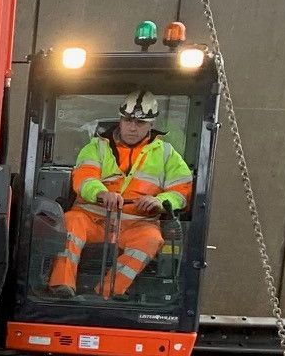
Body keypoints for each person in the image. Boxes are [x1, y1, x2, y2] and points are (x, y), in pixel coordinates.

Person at [46, 90, 193, 299]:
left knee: (151, 239)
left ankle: (108, 293)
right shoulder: (96, 147)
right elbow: (84, 178)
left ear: (151, 124)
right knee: (70, 221)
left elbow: (182, 191)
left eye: (140, 123)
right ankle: (61, 285)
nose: (132, 127)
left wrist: (159, 201)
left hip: (137, 224)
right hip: (94, 218)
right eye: (128, 120)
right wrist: (101, 193)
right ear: (120, 118)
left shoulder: (167, 155)